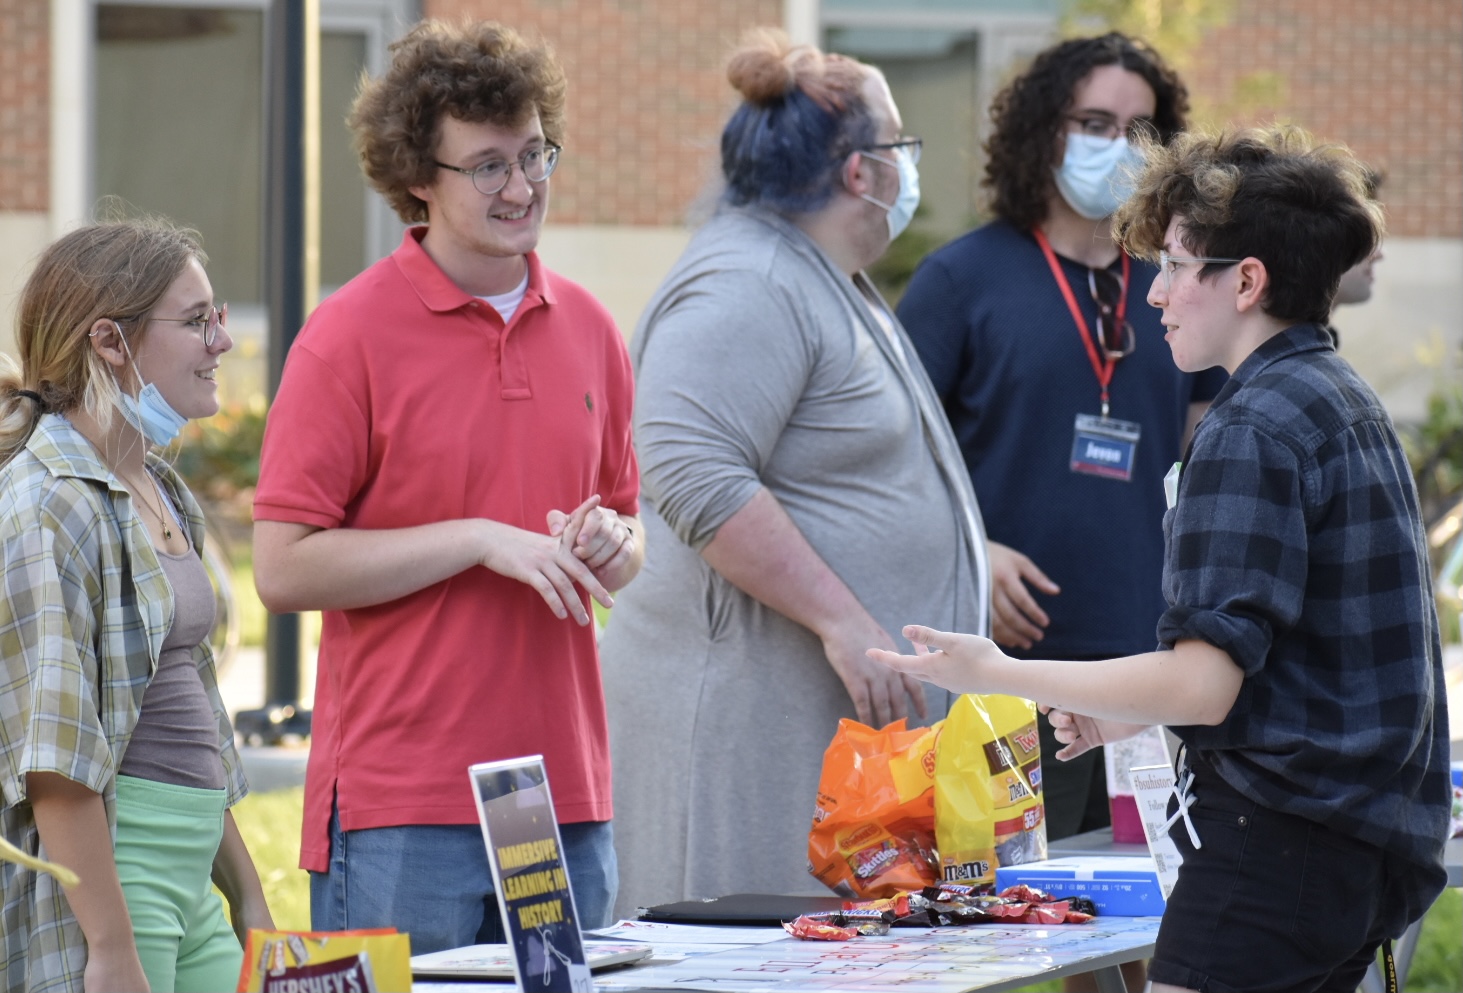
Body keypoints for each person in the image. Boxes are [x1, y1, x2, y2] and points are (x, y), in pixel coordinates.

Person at [872, 125, 1451, 993]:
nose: (1156, 294)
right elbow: (1282, 662)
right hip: (1351, 847)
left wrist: (1001, 671)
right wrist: (1127, 712)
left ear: (1245, 280)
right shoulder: (1338, 397)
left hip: (1278, 847)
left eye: (1179, 265)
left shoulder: (1251, 423)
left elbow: (1202, 682)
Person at [251, 20, 641, 950]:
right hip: (403, 799)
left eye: (535, 153)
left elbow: (626, 531)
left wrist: (614, 548)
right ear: (418, 180)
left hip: (564, 795)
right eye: (489, 166)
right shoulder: (346, 336)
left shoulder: (590, 327)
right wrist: (476, 538)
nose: (523, 186)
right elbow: (282, 569)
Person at [599, 31, 991, 920]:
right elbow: (691, 471)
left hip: (826, 747)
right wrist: (844, 621)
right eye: (901, 147)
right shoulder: (747, 278)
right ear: (861, 172)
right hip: (745, 738)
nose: (907, 168)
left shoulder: (816, 272)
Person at [895, 32, 1227, 844]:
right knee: (1008, 917)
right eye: (1093, 122)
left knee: (1146, 925)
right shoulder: (960, 278)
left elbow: (1210, 459)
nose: (1117, 146)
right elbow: (889, 463)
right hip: (1005, 669)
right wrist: (974, 547)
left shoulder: (1178, 288)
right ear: (1045, 129)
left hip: (1144, 666)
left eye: (1139, 129)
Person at [0, 218, 272, 992]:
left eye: (217, 316)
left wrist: (248, 893)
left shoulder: (157, 483)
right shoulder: (51, 501)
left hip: (192, 883)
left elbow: (192, 720)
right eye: (195, 321)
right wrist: (112, 950)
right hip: (119, 886)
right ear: (110, 343)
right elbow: (55, 761)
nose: (221, 341)